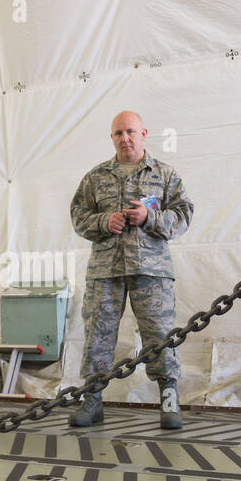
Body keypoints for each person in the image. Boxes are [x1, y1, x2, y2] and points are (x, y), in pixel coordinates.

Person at [69, 111, 194, 429]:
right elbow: (78, 215)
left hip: (151, 270)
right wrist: (102, 221)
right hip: (105, 270)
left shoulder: (164, 174)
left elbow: (183, 215)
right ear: (112, 137)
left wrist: (149, 218)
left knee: (160, 334)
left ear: (143, 133)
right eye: (118, 133)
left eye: (130, 132)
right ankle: (93, 399)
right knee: (97, 336)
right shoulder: (96, 177)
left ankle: (168, 398)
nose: (125, 138)